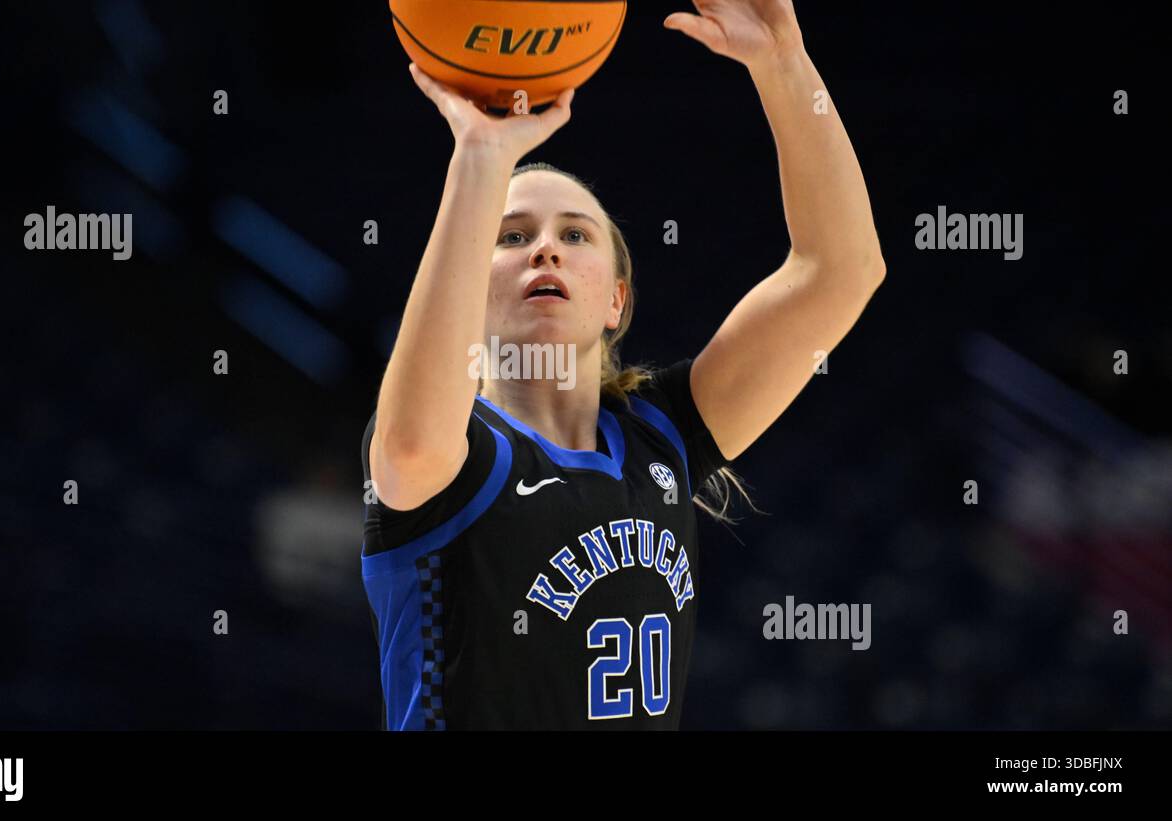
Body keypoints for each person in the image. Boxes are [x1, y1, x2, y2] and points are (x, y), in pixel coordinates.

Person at [361, 0, 886, 729]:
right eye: (510, 236)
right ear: (463, 290)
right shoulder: (457, 454)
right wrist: (481, 157)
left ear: (616, 296)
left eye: (574, 233)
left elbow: (841, 271)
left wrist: (784, 64)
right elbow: (413, 446)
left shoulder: (660, 434)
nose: (544, 247)